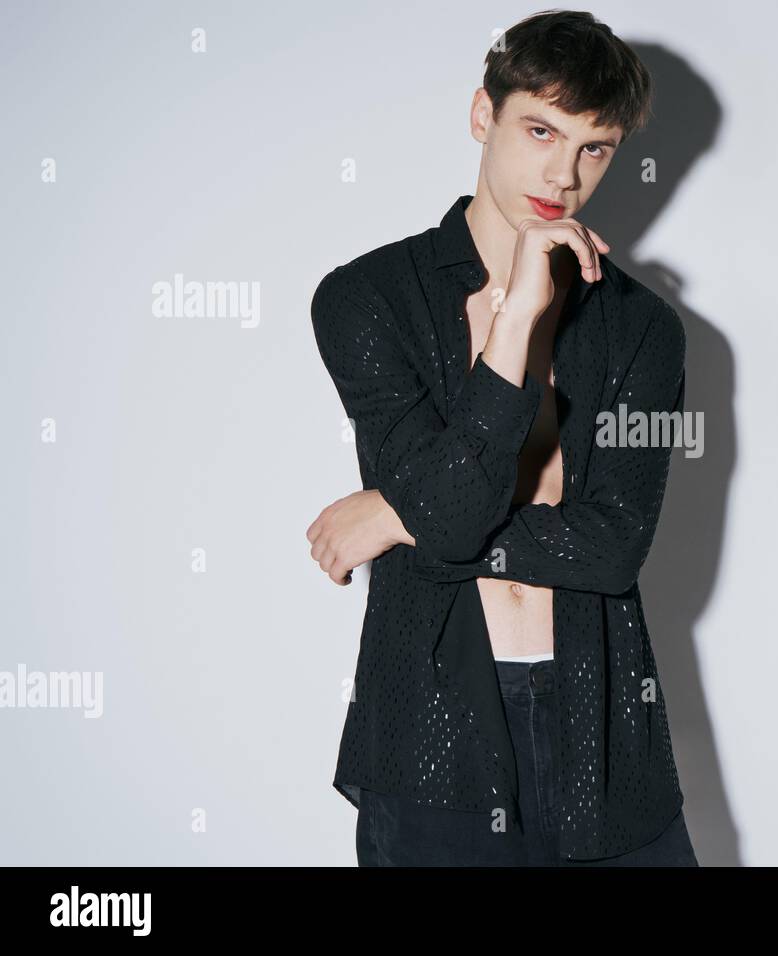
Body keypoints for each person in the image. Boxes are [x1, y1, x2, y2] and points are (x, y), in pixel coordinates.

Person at [306, 9, 697, 866]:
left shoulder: (644, 328)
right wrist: (518, 316)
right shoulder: (366, 298)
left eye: (595, 147)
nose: (563, 173)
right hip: (429, 731)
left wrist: (397, 516)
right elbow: (449, 511)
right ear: (483, 115)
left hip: (605, 735)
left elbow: (613, 549)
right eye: (540, 129)